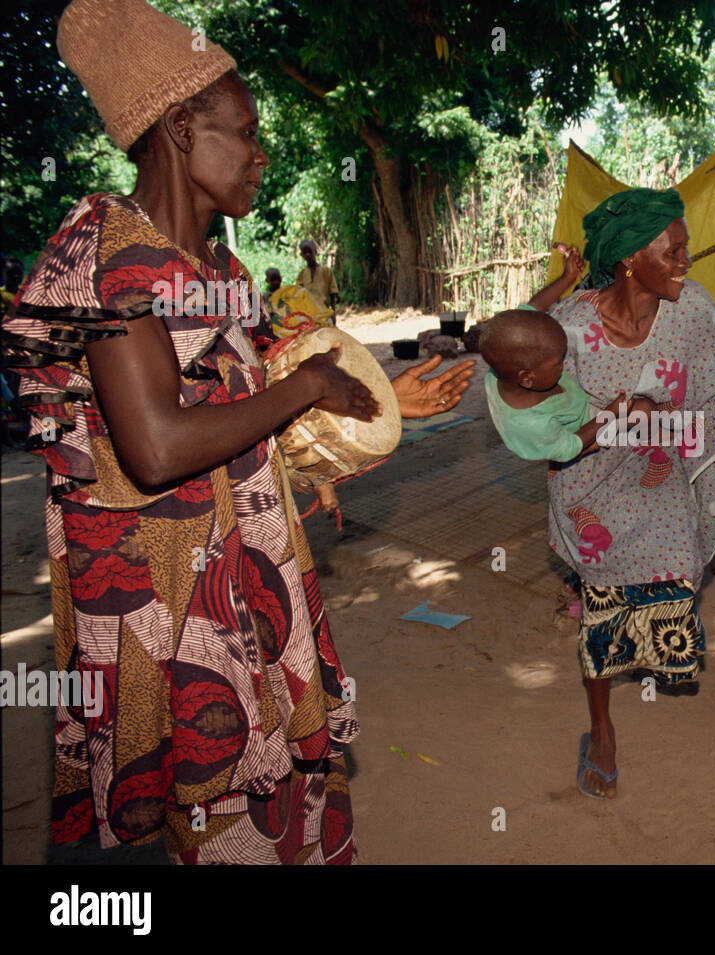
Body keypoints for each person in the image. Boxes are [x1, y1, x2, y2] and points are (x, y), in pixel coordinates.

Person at [0, 0, 474, 864]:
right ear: (181, 128)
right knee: (219, 829)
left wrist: (383, 397)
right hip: (159, 609)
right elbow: (157, 448)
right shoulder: (107, 259)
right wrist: (304, 385)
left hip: (239, 578)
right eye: (245, 132)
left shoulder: (219, 271)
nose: (262, 154)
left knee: (280, 811)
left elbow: (255, 426)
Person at [547, 186, 715, 798]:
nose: (684, 261)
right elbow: (540, 427)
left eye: (685, 249)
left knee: (676, 563)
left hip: (656, 468)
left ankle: (651, 649)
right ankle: (601, 728)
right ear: (627, 259)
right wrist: (615, 419)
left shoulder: (690, 307)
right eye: (671, 251)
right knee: (602, 598)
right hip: (588, 477)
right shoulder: (570, 328)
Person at [480, 308, 656, 462]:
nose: (563, 363)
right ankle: (590, 446)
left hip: (571, 404)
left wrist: (567, 277)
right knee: (645, 410)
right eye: (558, 363)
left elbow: (532, 306)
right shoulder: (534, 424)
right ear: (527, 378)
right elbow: (570, 445)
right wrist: (611, 413)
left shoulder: (501, 372)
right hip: (579, 429)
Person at [297, 239, 340, 311]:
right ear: (302, 255)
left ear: (315, 252)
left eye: (310, 251)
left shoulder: (326, 271)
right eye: (305, 252)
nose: (308, 254)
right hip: (308, 313)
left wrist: (333, 311)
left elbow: (333, 292)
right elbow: (299, 295)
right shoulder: (302, 274)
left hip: (324, 311)